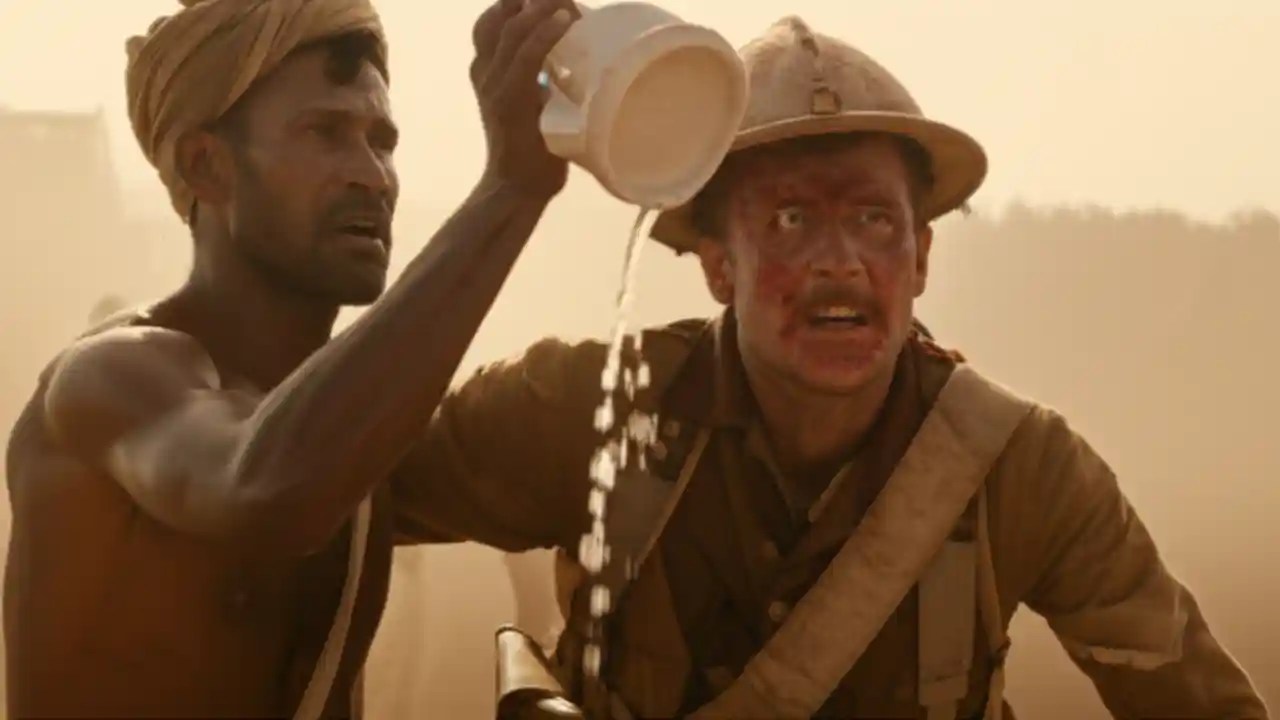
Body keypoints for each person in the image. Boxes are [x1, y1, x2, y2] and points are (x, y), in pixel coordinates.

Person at [395, 16, 1271, 719]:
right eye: (789, 221)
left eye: (875, 221)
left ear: (921, 257)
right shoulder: (590, 408)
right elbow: (320, 498)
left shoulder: (1023, 469)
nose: (841, 261)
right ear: (716, 263)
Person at [3, 0, 580, 716]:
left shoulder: (348, 421)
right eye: (326, 133)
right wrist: (510, 191)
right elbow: (266, 487)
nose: (372, 175)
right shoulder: (112, 379)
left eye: (382, 141)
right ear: (206, 166)